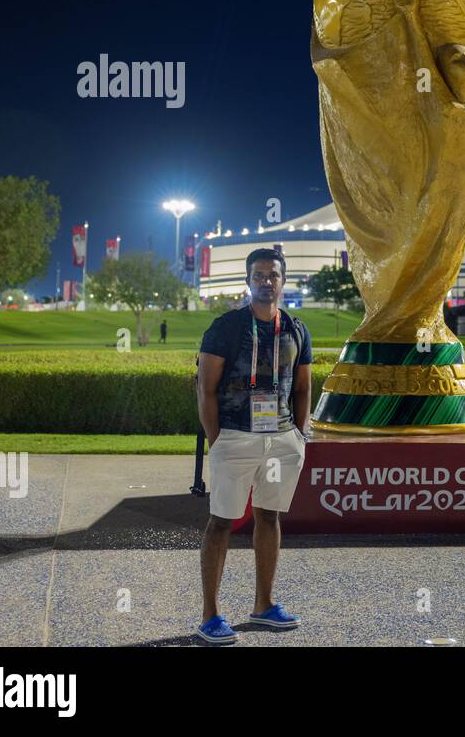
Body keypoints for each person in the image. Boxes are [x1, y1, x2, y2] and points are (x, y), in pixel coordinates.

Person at [194, 247, 313, 645]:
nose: (266, 281)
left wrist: (299, 433)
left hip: (281, 440)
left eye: (273, 275)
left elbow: (303, 386)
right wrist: (218, 439)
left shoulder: (296, 328)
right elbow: (205, 388)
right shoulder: (227, 327)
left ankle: (264, 605)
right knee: (222, 522)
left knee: (269, 517)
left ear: (283, 280)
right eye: (259, 275)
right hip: (236, 436)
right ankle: (210, 615)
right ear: (248, 280)